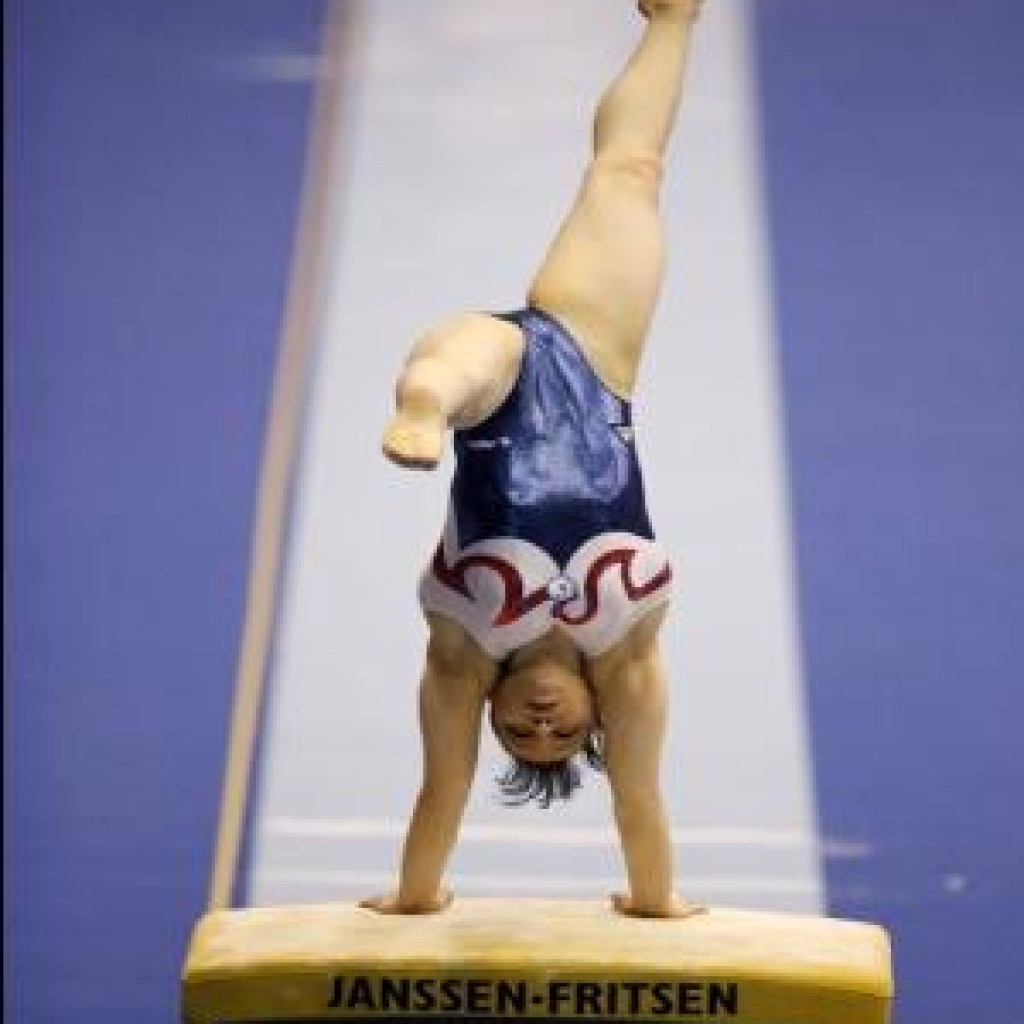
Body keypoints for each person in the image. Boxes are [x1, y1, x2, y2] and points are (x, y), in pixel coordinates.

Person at [363, 0, 705, 919]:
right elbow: (639, 794)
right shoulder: (627, 646)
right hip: (594, 360)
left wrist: (416, 901)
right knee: (629, 174)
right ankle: (675, 20)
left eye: (520, 736)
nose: (541, 725)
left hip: (486, 391)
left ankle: (419, 409)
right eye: (562, 737)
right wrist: (655, 906)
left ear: (492, 712)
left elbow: (443, 788)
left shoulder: (461, 650)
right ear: (598, 714)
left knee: (460, 369)